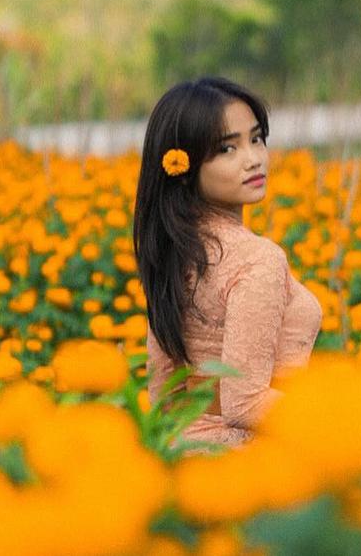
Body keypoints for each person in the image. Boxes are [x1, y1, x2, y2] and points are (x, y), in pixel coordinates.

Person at [133, 76, 323, 451]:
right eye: (226, 149)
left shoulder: (173, 252)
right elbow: (246, 402)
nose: (253, 159)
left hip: (180, 459)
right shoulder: (256, 260)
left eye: (256, 139)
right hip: (249, 468)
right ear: (182, 167)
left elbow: (164, 399)